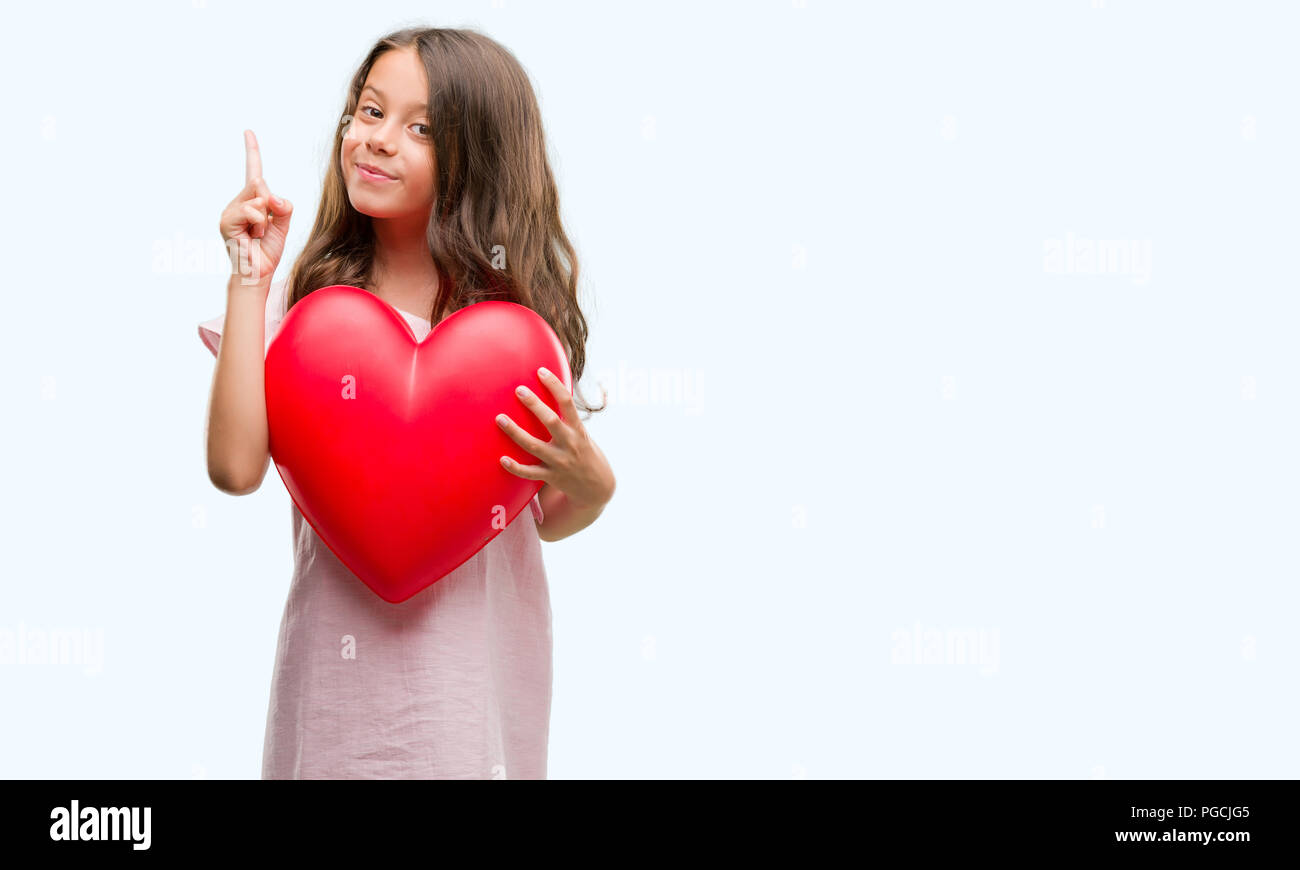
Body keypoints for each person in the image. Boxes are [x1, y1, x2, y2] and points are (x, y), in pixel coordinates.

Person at [198, 26, 615, 779]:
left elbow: (550, 516)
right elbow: (234, 469)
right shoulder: (311, 310)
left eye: (420, 127)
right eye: (369, 111)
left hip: (467, 703)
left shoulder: (512, 334)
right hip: (334, 694)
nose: (379, 140)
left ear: (476, 155)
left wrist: (595, 484)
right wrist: (249, 280)